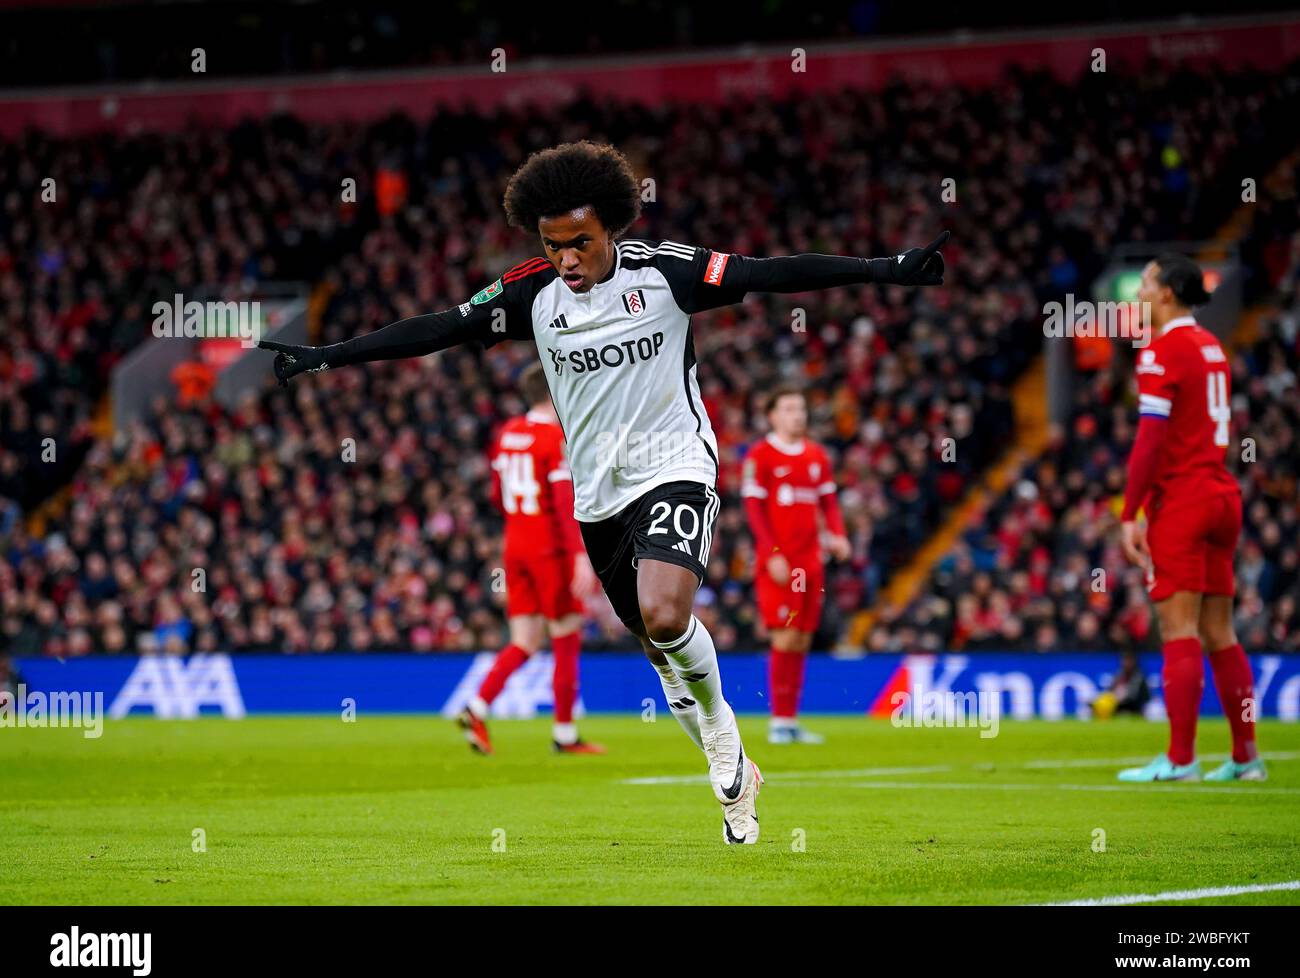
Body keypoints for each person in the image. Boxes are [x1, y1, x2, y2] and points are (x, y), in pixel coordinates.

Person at [261, 141, 948, 842]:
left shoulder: (666, 272)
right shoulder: (530, 291)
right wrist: (329, 354)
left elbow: (769, 274)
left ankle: (720, 734)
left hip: (675, 463)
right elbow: (442, 327)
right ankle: (737, 765)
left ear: (612, 228)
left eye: (580, 243)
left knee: (666, 613)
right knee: (657, 648)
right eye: (554, 245)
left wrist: (883, 269)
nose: (567, 259)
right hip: (598, 497)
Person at [1117, 254, 1264, 782]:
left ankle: (1180, 759)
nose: (1139, 290)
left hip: (1183, 500)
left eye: (1148, 282)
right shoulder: (1211, 346)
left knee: (1177, 628)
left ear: (1168, 294)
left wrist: (1129, 511)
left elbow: (1150, 440)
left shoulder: (1163, 350)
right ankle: (1246, 756)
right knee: (1220, 632)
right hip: (1223, 496)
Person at [457, 362, 604, 755]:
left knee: (524, 640)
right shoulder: (554, 437)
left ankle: (476, 705)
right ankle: (565, 735)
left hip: (515, 545)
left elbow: (494, 495)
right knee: (566, 634)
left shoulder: (507, 434)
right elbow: (562, 502)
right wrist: (579, 556)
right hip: (549, 549)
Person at [742, 387, 850, 744]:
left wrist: (837, 535)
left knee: (802, 638)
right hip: (780, 561)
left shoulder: (817, 456)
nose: (797, 415)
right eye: (789, 408)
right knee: (784, 635)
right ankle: (777, 722)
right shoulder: (760, 456)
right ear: (772, 415)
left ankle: (790, 719)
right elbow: (755, 512)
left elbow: (829, 503)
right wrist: (771, 552)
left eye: (801, 408)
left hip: (810, 562)